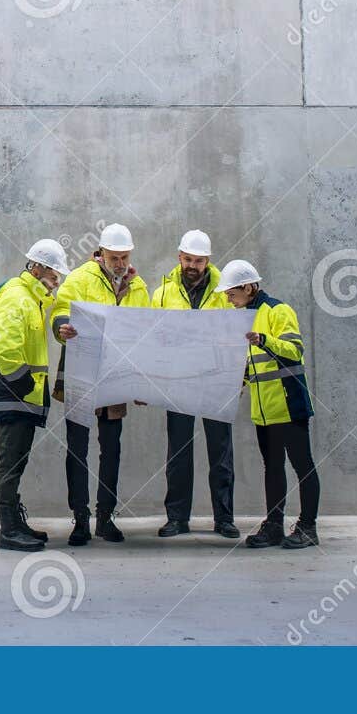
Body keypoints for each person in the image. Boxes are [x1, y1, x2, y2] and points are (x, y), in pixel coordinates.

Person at [51, 222, 151, 546]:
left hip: (115, 374)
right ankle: (80, 519)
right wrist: (62, 326)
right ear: (101, 253)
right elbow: (60, 309)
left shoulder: (139, 288)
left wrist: (141, 382)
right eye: (114, 257)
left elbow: (144, 333)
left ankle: (105, 518)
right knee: (77, 448)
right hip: (81, 369)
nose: (120, 263)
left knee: (112, 448)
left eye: (124, 257)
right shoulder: (80, 278)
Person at [216, 259, 320, 549]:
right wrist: (239, 384)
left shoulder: (277, 310)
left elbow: (294, 350)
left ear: (248, 287)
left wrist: (264, 339)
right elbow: (256, 366)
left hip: (289, 404)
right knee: (272, 468)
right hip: (264, 411)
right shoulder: (244, 316)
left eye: (232, 292)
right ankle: (274, 525)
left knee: (303, 466)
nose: (228, 297)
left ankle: (308, 528)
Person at [0, 238, 70, 551]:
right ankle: (8, 530)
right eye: (54, 273)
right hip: (14, 391)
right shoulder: (17, 297)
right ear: (38, 268)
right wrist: (22, 384)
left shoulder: (33, 298)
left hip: (24, 393)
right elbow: (5, 349)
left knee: (17, 459)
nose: (57, 279)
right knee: (9, 460)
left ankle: (15, 522)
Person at [152, 229, 239, 540]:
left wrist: (238, 374)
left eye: (199, 261)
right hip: (178, 382)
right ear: (179, 257)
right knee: (178, 453)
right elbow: (154, 339)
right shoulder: (162, 293)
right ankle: (176, 519)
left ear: (208, 261)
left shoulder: (226, 290)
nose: (192, 265)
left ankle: (224, 519)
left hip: (216, 382)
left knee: (221, 453)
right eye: (188, 259)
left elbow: (238, 334)